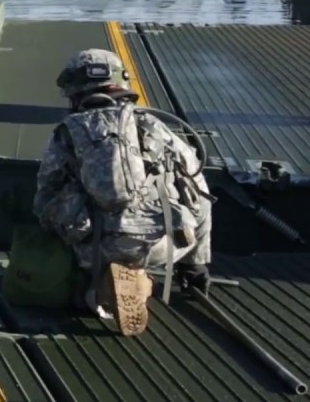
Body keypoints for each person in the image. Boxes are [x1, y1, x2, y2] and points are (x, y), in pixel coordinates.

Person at [34, 48, 212, 336]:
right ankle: (141, 277)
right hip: (160, 246)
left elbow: (44, 194)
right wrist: (196, 265)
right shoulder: (155, 126)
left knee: (57, 202)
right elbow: (199, 191)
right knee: (186, 188)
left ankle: (90, 285)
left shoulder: (67, 132)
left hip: (90, 248)